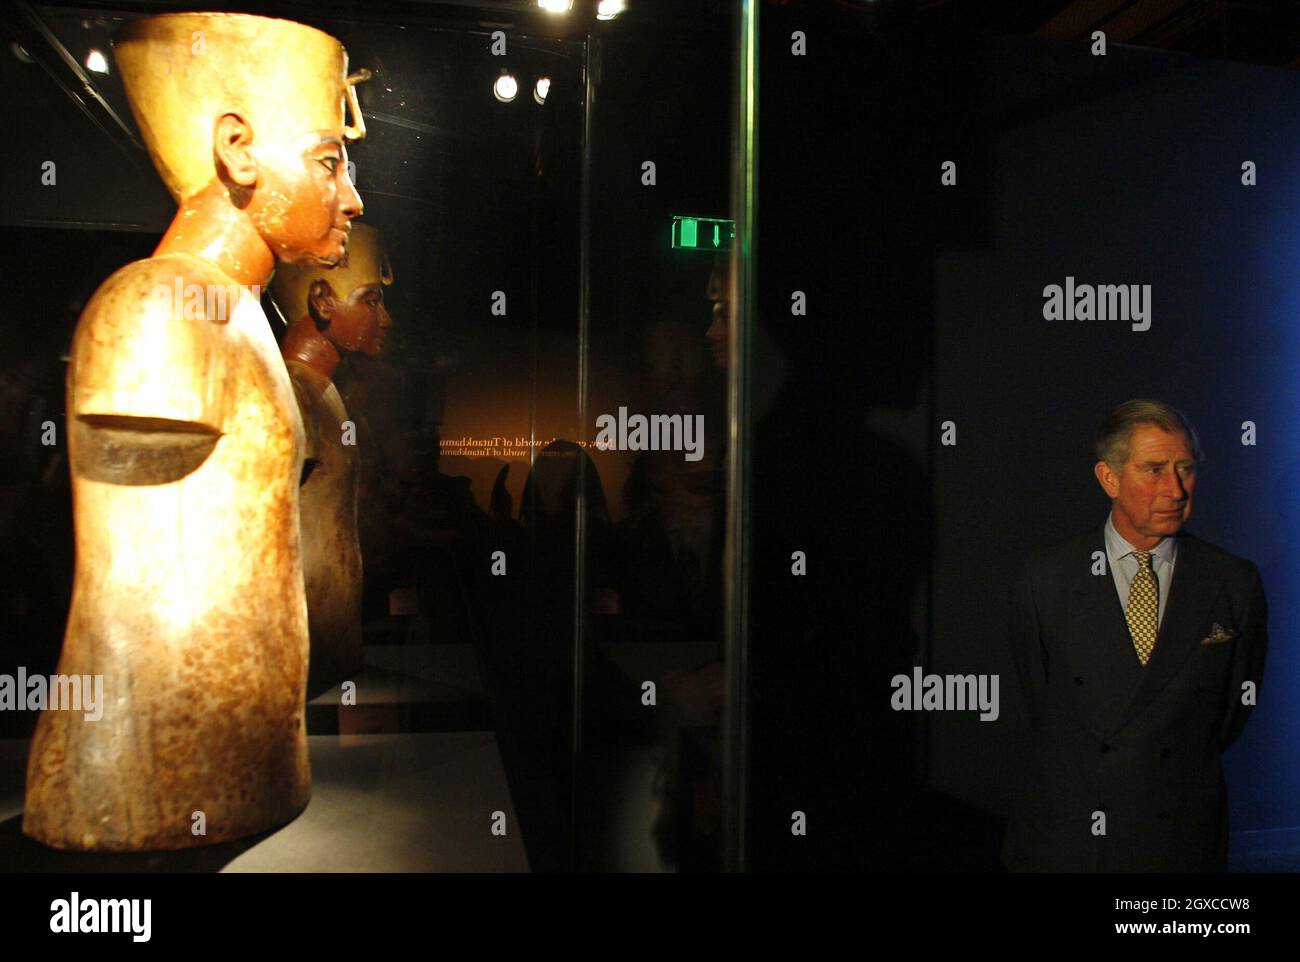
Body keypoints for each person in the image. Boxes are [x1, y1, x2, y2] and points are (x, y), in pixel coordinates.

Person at [24, 12, 368, 851]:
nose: (352, 196)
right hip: (143, 789)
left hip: (234, 779)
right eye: (330, 161)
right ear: (239, 150)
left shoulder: (236, 315)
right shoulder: (156, 307)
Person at [1004, 399, 1267, 871]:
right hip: (1073, 839)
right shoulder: (1046, 578)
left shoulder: (1233, 581)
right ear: (1109, 478)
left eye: (1184, 469)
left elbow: (1232, 711)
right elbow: (1036, 702)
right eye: (1154, 470)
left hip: (1179, 838)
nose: (1175, 489)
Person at [273, 224, 392, 695]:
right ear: (323, 301)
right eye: (370, 301)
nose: (385, 320)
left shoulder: (318, 391)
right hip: (302, 656)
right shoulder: (293, 394)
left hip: (326, 652)